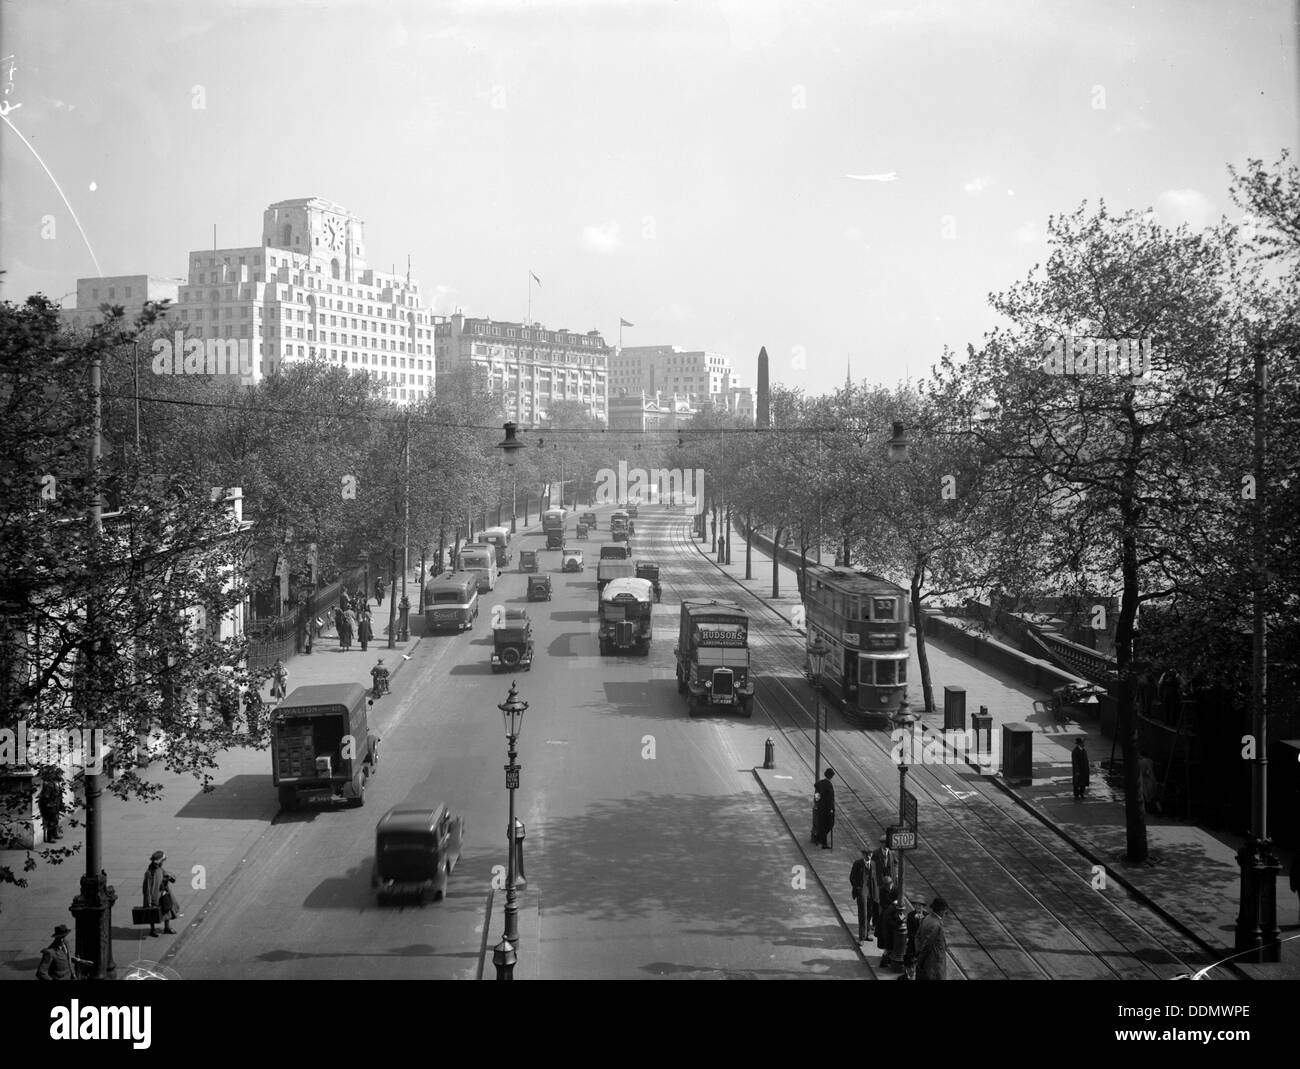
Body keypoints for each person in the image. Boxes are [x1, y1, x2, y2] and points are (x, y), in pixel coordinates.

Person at [142, 850, 179, 937]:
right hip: (154, 897)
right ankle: (152, 929)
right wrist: (149, 900)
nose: (163, 863)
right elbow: (147, 888)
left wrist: (170, 877)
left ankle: (167, 928)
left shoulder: (160, 869)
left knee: (168, 908)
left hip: (163, 893)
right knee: (152, 913)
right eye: (162, 861)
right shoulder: (149, 873)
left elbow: (166, 874)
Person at [914, 897, 950, 981]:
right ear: (941, 910)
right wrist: (920, 960)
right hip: (933, 963)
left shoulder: (927, 918)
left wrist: (918, 951)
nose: (945, 914)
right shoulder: (936, 924)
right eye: (945, 911)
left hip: (929, 961)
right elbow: (927, 945)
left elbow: (917, 936)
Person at [867, 835, 895, 937]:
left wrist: (893, 877)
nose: (886, 846)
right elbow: (871, 866)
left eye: (887, 844)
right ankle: (875, 923)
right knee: (877, 903)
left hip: (889, 882)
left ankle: (884, 922)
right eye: (884, 843)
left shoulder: (892, 853)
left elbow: (894, 863)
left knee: (888, 903)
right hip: (879, 883)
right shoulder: (875, 853)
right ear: (881, 844)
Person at [849, 846, 870, 943]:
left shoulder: (873, 864)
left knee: (869, 914)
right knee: (863, 914)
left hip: (872, 892)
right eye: (866, 854)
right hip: (862, 892)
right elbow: (852, 877)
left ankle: (867, 934)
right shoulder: (857, 864)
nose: (869, 856)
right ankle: (861, 937)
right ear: (863, 855)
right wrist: (858, 889)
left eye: (870, 854)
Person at [37, 769, 64, 842]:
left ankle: (54, 834)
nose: (61, 776)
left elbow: (60, 795)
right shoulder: (49, 784)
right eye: (60, 774)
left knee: (56, 820)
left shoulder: (57, 783)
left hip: (56, 804)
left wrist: (61, 804)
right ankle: (50, 837)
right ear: (55, 775)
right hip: (50, 806)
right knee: (51, 821)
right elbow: (46, 796)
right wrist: (49, 805)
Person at [812, 767, 836, 849]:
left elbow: (817, 795)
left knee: (822, 825)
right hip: (827, 810)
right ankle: (821, 840)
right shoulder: (829, 785)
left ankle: (820, 840)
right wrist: (832, 809)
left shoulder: (819, 783)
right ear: (831, 776)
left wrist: (817, 803)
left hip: (820, 808)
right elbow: (830, 799)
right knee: (828, 825)